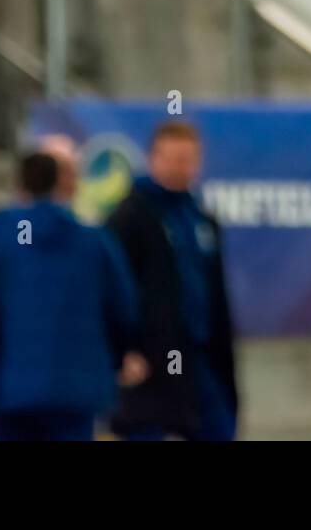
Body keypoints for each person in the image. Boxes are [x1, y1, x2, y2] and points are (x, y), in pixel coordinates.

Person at [0, 152, 143, 441]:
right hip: (76, 391)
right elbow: (123, 309)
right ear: (61, 185)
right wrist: (114, 361)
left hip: (11, 388)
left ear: (19, 186)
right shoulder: (94, 241)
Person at [107, 121, 238, 441]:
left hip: (198, 356)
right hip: (150, 361)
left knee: (220, 426)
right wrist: (125, 348)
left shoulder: (201, 218)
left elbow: (214, 290)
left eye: (188, 159)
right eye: (174, 158)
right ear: (153, 159)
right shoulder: (129, 218)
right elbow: (113, 289)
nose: (182, 167)